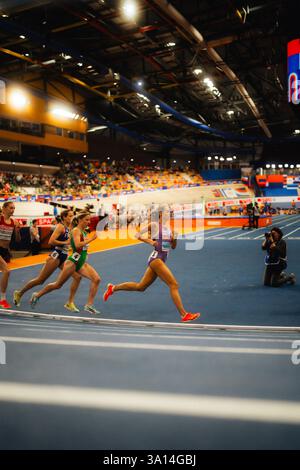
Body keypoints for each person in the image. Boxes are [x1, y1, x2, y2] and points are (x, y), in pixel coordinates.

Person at [103, 206, 200, 322]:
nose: (169, 215)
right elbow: (137, 235)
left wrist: (174, 238)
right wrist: (150, 241)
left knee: (141, 287)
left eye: (169, 213)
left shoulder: (169, 229)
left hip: (161, 259)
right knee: (174, 285)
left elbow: (173, 247)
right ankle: (184, 314)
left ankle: (113, 288)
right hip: (156, 259)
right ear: (160, 215)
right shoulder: (154, 225)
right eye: (167, 213)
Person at [30, 212, 101, 314]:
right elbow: (77, 245)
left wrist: (87, 241)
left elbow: (81, 247)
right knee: (58, 285)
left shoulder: (83, 231)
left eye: (89, 220)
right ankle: (37, 295)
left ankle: (89, 305)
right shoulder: (76, 230)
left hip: (81, 262)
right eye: (86, 220)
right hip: (72, 262)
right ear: (80, 220)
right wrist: (91, 239)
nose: (89, 222)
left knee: (97, 279)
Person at [14, 209, 81, 312]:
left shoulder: (69, 228)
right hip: (56, 255)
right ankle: (19, 293)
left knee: (76, 277)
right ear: (64, 217)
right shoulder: (60, 227)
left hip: (64, 256)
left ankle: (69, 302)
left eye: (72, 216)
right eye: (69, 216)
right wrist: (65, 243)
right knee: (40, 280)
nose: (71, 218)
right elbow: (51, 241)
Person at [0, 201, 21, 309]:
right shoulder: (0, 219)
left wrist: (17, 230)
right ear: (4, 208)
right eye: (10, 208)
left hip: (4, 251)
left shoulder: (14, 222)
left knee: (6, 272)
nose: (12, 210)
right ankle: (2, 300)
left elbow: (17, 240)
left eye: (14, 208)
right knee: (6, 271)